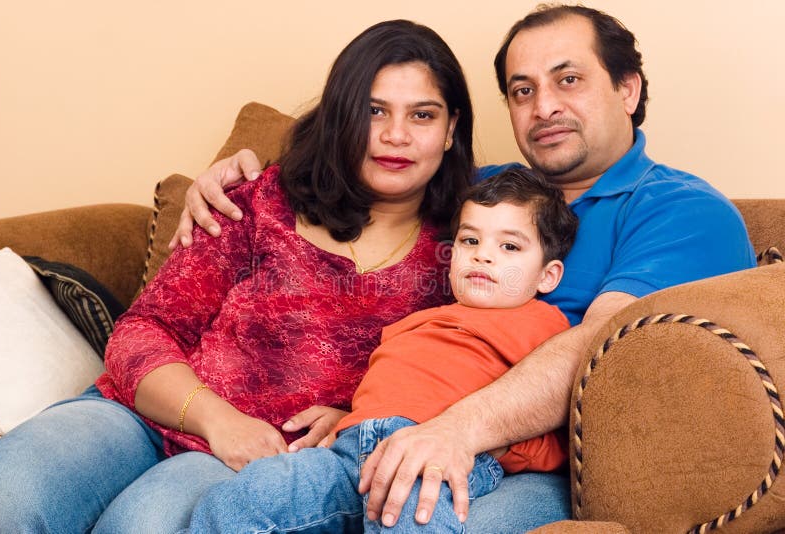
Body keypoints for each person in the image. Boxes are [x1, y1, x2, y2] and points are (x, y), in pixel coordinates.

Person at [174, 5, 757, 531]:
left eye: (569, 79)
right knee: (245, 504)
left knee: (414, 517)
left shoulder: (682, 211)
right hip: (391, 429)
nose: (544, 106)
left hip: (528, 464)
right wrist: (247, 178)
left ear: (627, 89)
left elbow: (596, 346)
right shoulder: (479, 190)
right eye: (522, 90)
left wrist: (453, 429)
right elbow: (359, 171)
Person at [0, 20, 475, 533]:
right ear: (340, 117)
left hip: (255, 464)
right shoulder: (261, 200)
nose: (396, 135)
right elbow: (141, 332)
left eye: (422, 115)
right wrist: (219, 421)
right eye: (374, 111)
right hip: (140, 413)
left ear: (450, 129)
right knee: (7, 489)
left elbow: (454, 375)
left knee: (145, 525)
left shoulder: (469, 250)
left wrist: (357, 421)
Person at [183, 168, 579, 533]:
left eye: (509, 247)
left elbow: (556, 418)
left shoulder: (543, 326)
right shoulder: (417, 321)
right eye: (470, 240)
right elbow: (392, 390)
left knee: (412, 515)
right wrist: (353, 417)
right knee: (244, 496)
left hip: (434, 459)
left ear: (548, 275)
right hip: (348, 452)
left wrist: (509, 445)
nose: (483, 254)